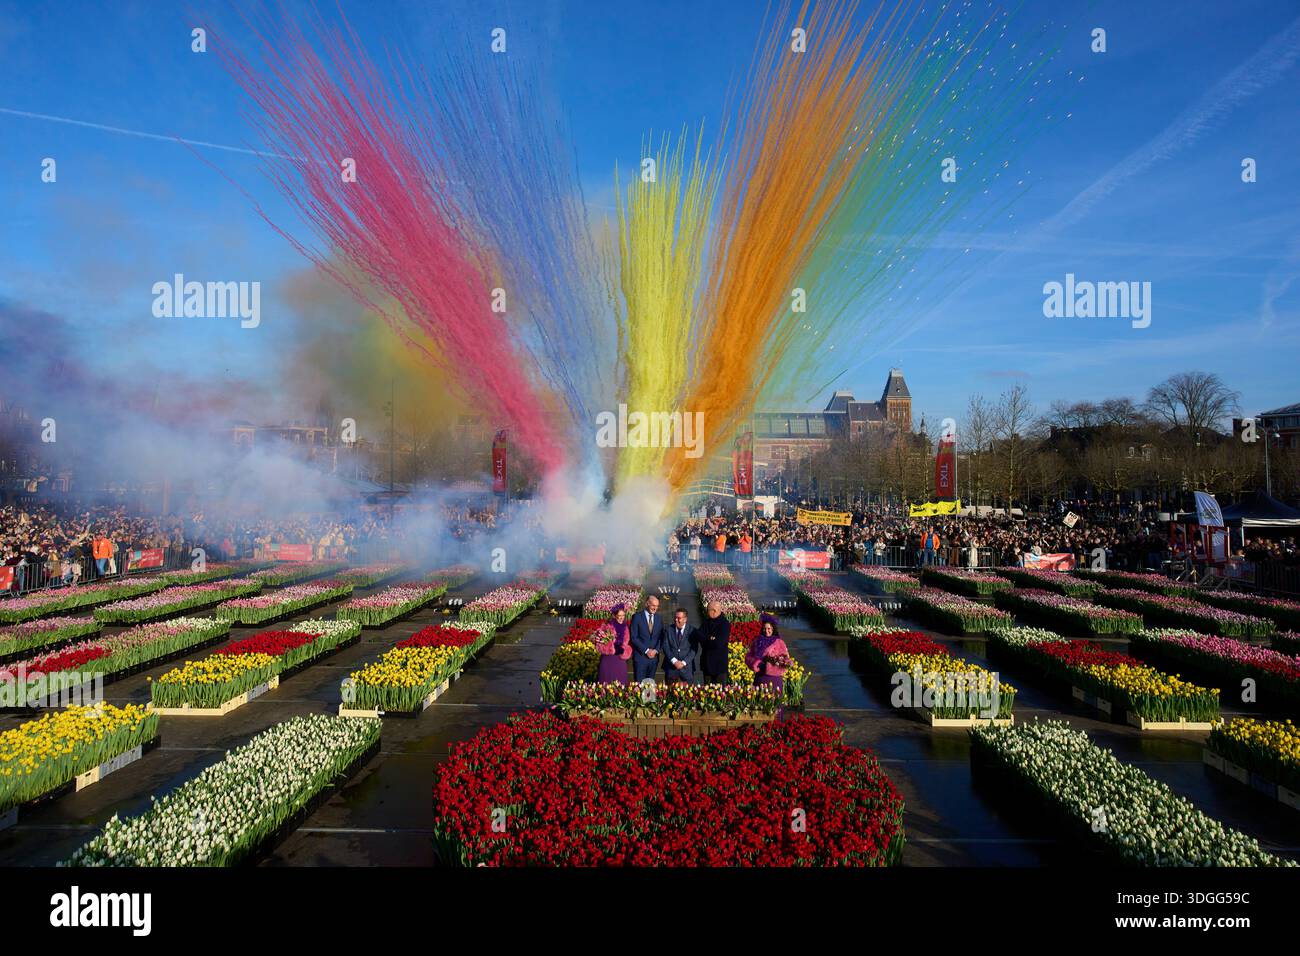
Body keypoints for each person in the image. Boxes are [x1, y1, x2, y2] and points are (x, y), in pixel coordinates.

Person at [746, 614, 790, 696]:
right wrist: (756, 663)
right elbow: (749, 656)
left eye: (769, 628)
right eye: (764, 629)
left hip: (774, 678)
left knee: (774, 702)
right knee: (760, 702)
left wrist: (771, 665)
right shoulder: (757, 641)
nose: (766, 631)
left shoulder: (779, 642)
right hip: (760, 677)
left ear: (773, 629)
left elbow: (786, 660)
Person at [694, 600, 731, 684]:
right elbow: (698, 634)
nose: (706, 612)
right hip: (706, 664)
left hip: (719, 666)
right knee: (707, 691)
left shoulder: (724, 624)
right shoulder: (706, 622)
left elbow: (718, 643)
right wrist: (709, 638)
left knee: (719, 693)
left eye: (708, 610)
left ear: (714, 611)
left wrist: (705, 640)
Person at [629, 595, 665, 682]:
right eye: (653, 605)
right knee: (639, 685)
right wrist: (646, 650)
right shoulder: (637, 617)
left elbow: (661, 637)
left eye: (657, 606)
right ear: (647, 604)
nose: (655, 608)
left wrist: (656, 650)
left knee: (650, 685)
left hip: (654, 659)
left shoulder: (659, 618)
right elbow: (634, 637)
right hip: (640, 657)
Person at [596, 604, 632, 685]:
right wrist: (612, 648)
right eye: (619, 615)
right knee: (606, 684)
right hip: (608, 660)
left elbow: (627, 644)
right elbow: (599, 645)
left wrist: (623, 650)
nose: (622, 617)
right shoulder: (606, 627)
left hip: (620, 660)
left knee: (620, 684)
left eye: (623, 615)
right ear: (614, 615)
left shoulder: (626, 628)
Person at [662, 608, 698, 685]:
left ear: (685, 619)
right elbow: (665, 647)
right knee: (669, 693)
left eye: (679, 618)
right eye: (675, 617)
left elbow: (694, 649)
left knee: (688, 694)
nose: (676, 620)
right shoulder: (668, 629)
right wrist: (674, 661)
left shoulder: (692, 631)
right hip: (671, 667)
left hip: (686, 669)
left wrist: (683, 663)